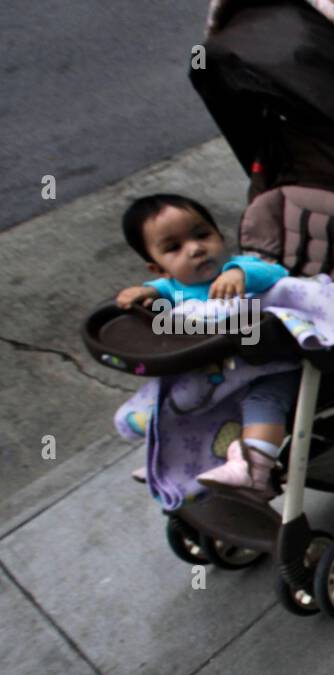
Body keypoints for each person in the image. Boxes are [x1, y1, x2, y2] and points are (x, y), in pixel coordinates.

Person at [118, 194, 300, 498]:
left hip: (268, 362)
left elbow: (276, 274)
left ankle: (255, 469)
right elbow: (155, 294)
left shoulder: (242, 269)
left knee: (264, 401)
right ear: (160, 268)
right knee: (180, 401)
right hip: (217, 370)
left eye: (202, 235)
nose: (195, 248)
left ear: (219, 235)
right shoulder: (172, 289)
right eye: (174, 248)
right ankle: (173, 465)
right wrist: (142, 293)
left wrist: (238, 274)